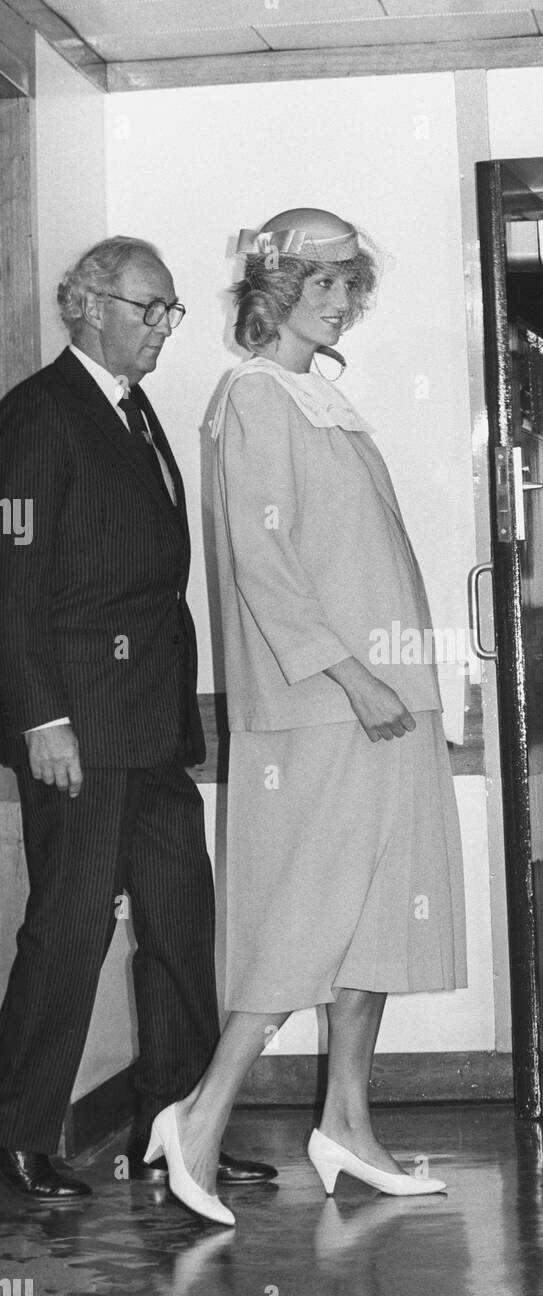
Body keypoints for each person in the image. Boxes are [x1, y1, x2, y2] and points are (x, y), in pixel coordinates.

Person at [143, 208, 467, 1225]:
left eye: (346, 286)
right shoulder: (249, 397)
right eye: (321, 285)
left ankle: (349, 1122)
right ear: (273, 290)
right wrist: (352, 676)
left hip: (386, 698)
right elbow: (262, 562)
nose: (339, 303)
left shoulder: (321, 396)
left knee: (373, 915)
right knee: (304, 919)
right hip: (326, 708)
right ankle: (197, 1116)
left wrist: (406, 678)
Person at [0, 237, 273, 1199]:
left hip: (153, 726)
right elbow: (11, 581)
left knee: (181, 926)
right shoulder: (36, 415)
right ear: (87, 306)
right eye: (148, 308)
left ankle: (176, 1128)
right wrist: (41, 720)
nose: (164, 325)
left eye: (170, 311)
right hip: (79, 728)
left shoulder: (135, 408)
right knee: (67, 930)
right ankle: (21, 1133)